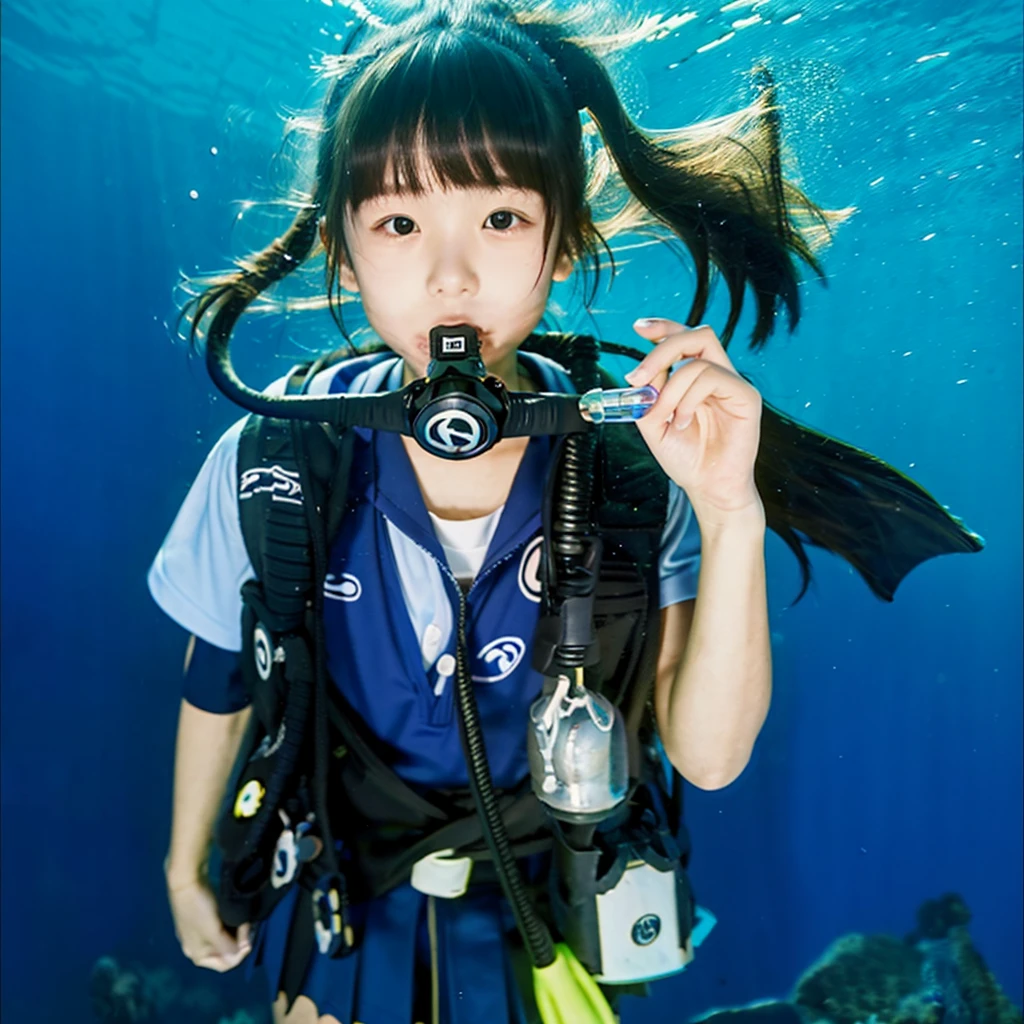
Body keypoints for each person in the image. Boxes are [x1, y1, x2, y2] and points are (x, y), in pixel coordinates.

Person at [149, 2, 980, 1022]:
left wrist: (729, 509)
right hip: (342, 920)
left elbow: (710, 758)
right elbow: (222, 678)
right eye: (400, 223)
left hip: (546, 932)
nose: (450, 275)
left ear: (560, 239)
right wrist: (186, 863)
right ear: (343, 248)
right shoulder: (269, 462)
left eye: (499, 219)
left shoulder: (636, 472)